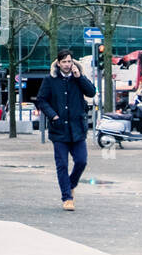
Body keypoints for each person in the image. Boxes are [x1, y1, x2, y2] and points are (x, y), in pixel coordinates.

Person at [35, 50, 96, 211]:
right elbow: (41, 100)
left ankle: (71, 185)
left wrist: (79, 77)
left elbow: (91, 92)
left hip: (77, 129)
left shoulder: (78, 78)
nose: (67, 65)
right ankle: (67, 198)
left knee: (81, 161)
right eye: (64, 62)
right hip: (59, 129)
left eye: (70, 61)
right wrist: (53, 115)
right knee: (62, 164)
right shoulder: (50, 80)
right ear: (58, 63)